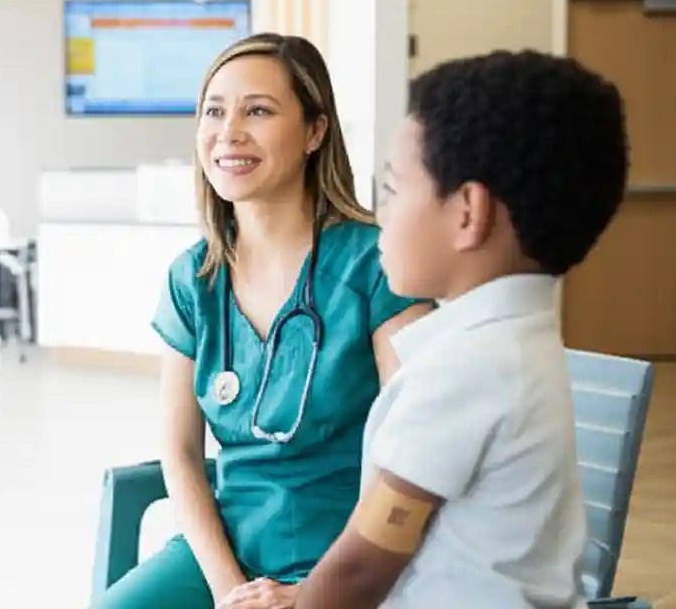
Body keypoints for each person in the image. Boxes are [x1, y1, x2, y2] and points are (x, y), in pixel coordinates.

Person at [92, 33, 430, 609]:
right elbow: (179, 452)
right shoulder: (193, 279)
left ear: (315, 132)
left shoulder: (378, 266)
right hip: (232, 553)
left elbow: (423, 456)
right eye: (214, 111)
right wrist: (230, 592)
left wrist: (313, 595)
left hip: (354, 561)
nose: (229, 132)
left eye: (259, 111)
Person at [296, 50, 629, 608]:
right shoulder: (514, 342)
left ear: (468, 213)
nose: (381, 213)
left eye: (394, 189)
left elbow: (358, 571)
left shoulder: (467, 369)